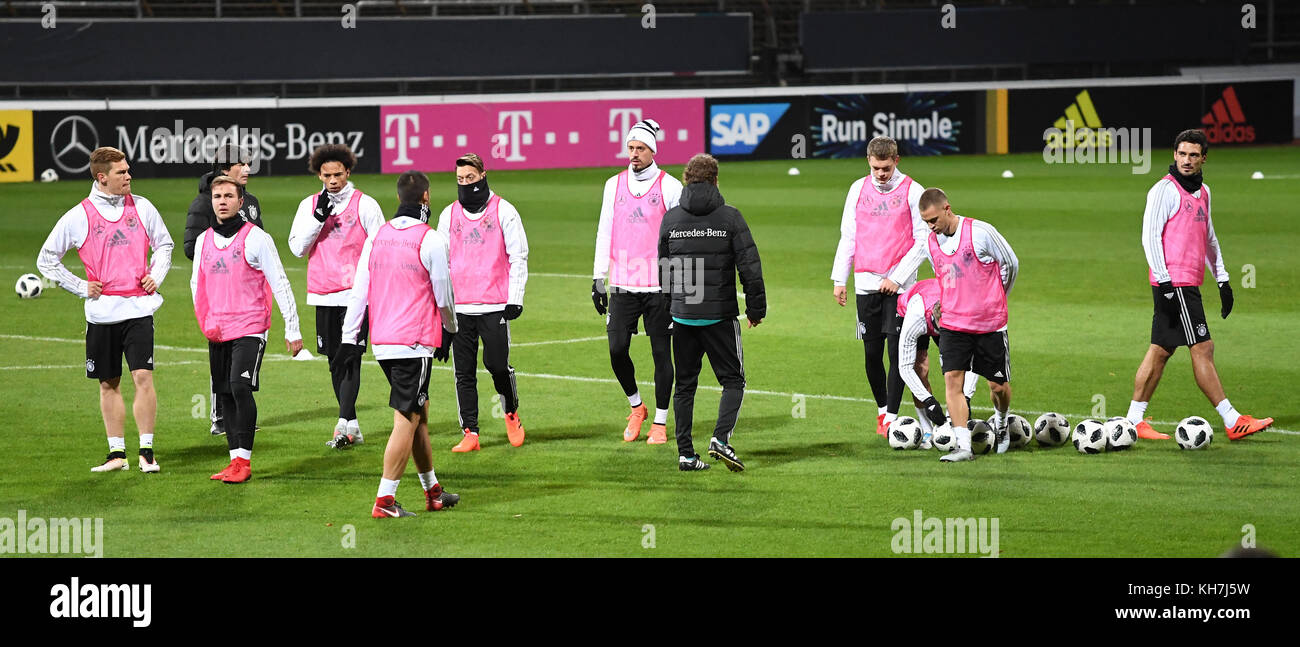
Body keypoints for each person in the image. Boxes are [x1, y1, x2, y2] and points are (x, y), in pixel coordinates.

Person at [1127, 129, 1272, 441]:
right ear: (1174, 155)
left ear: (1204, 157)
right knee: (1203, 347)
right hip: (1175, 282)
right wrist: (1165, 282)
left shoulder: (1204, 191)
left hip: (1187, 282)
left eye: (1193, 155)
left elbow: (1209, 238)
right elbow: (1149, 237)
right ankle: (1233, 420)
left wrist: (1223, 280)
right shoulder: (1163, 191)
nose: (1187, 160)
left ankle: (1133, 420)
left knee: (1162, 349)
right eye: (1182, 154)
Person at [37, 146, 173, 474]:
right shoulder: (79, 215)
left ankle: (147, 451)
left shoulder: (143, 207)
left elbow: (165, 244)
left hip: (139, 309)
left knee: (142, 375)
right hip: (101, 313)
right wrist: (80, 286)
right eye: (121, 172)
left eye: (128, 170)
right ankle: (116, 454)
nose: (129, 176)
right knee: (108, 382)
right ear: (102, 177)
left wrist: (156, 275)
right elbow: (46, 258)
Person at [337, 171, 460, 518]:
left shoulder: (377, 236)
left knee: (419, 416)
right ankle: (385, 500)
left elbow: (359, 290)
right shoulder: (430, 239)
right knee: (406, 418)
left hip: (384, 343)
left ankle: (433, 492)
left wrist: (349, 339)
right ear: (426, 198)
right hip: (415, 341)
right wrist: (449, 330)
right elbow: (443, 293)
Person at [658, 154, 766, 472]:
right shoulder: (730, 218)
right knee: (733, 380)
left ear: (686, 180)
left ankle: (686, 455)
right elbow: (750, 267)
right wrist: (756, 308)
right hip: (719, 316)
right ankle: (720, 438)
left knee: (685, 385)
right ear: (716, 180)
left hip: (682, 317)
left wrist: (670, 307)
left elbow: (663, 270)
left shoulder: (671, 219)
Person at [192, 176, 303, 483]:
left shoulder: (256, 239)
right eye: (217, 196)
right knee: (223, 391)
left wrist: (292, 328)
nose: (222, 201)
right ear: (211, 201)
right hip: (217, 328)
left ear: (241, 202)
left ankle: (246, 461)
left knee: (240, 387)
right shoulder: (203, 241)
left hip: (250, 326)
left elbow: (279, 281)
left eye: (229, 195)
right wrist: (205, 320)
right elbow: (196, 284)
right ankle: (233, 460)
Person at [592, 119, 684, 445]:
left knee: (662, 353)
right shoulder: (612, 185)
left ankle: (659, 422)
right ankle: (636, 406)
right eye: (630, 148)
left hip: (659, 286)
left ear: (652, 150)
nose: (633, 154)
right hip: (621, 283)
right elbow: (605, 230)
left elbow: (681, 237)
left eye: (640, 148)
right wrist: (597, 278)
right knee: (617, 349)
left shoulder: (671, 187)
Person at [831, 136, 930, 438]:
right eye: (876, 168)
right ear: (868, 162)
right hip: (865, 284)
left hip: (900, 288)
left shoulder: (914, 191)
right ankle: (881, 409)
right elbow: (849, 234)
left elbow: (923, 240)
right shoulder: (857, 189)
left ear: (896, 160)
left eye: (886, 168)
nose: (881, 174)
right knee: (871, 355)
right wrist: (839, 278)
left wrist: (897, 277)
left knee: (899, 354)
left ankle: (893, 418)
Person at [288, 144, 385, 448]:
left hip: (356, 295)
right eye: (327, 175)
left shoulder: (365, 205)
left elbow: (381, 246)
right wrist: (318, 219)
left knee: (351, 358)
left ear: (348, 172)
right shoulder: (309, 205)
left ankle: (342, 424)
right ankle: (352, 425)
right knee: (334, 361)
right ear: (319, 174)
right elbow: (296, 248)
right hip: (324, 293)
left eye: (338, 174)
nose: (332, 180)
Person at [436, 153, 529, 452]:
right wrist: (441, 309)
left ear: (483, 175)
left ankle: (511, 412)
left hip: (494, 305)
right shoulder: (448, 215)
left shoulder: (504, 211)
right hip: (460, 307)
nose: (465, 184)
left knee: (497, 365)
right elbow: (440, 262)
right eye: (460, 180)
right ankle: (470, 432)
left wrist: (515, 298)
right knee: (463, 371)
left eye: (470, 179)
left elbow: (518, 256)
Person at [919, 188, 1019, 462]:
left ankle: (1001, 421)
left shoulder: (981, 232)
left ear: (947, 209)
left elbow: (1010, 263)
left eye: (933, 220)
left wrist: (997, 297)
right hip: (952, 323)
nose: (931, 226)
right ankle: (963, 445)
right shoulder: (931, 242)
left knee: (998, 386)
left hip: (989, 324)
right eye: (926, 222)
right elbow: (944, 275)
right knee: (953, 381)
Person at [184, 144, 264, 437]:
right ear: (224, 170)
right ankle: (219, 416)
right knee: (222, 358)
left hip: (248, 292)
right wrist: (224, 252)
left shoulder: (250, 201)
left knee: (246, 358)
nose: (247, 169)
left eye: (248, 163)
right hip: (218, 294)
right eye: (241, 164)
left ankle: (242, 412)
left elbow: (259, 239)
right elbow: (192, 247)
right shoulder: (204, 203)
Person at [894, 278, 980, 448]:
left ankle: (952, 420)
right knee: (920, 369)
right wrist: (929, 401)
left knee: (954, 367)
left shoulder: (962, 314)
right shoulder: (915, 318)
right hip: (910, 308)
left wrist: (967, 397)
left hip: (947, 315)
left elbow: (974, 361)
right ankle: (927, 430)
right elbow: (904, 367)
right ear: (936, 318)